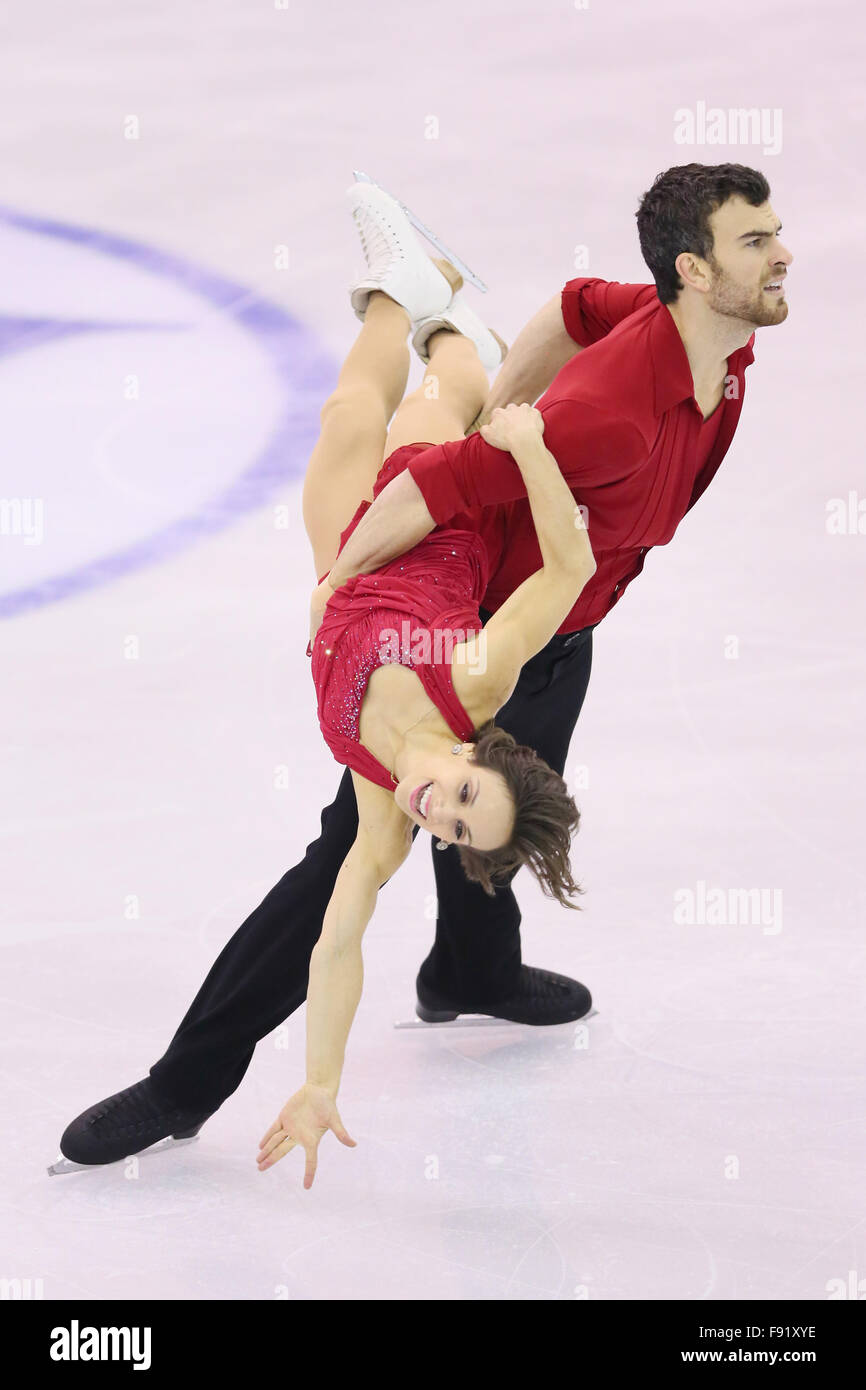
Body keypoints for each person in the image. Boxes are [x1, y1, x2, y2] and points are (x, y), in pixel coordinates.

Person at [52, 162, 792, 1183]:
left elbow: (575, 305)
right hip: (464, 607)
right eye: (755, 241)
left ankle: (469, 968)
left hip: (556, 629)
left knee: (498, 815)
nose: (781, 253)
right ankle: (187, 1082)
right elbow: (442, 484)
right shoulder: (611, 410)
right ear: (692, 269)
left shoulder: (716, 343)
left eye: (771, 233)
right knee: (343, 863)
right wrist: (376, 545)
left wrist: (510, 397)